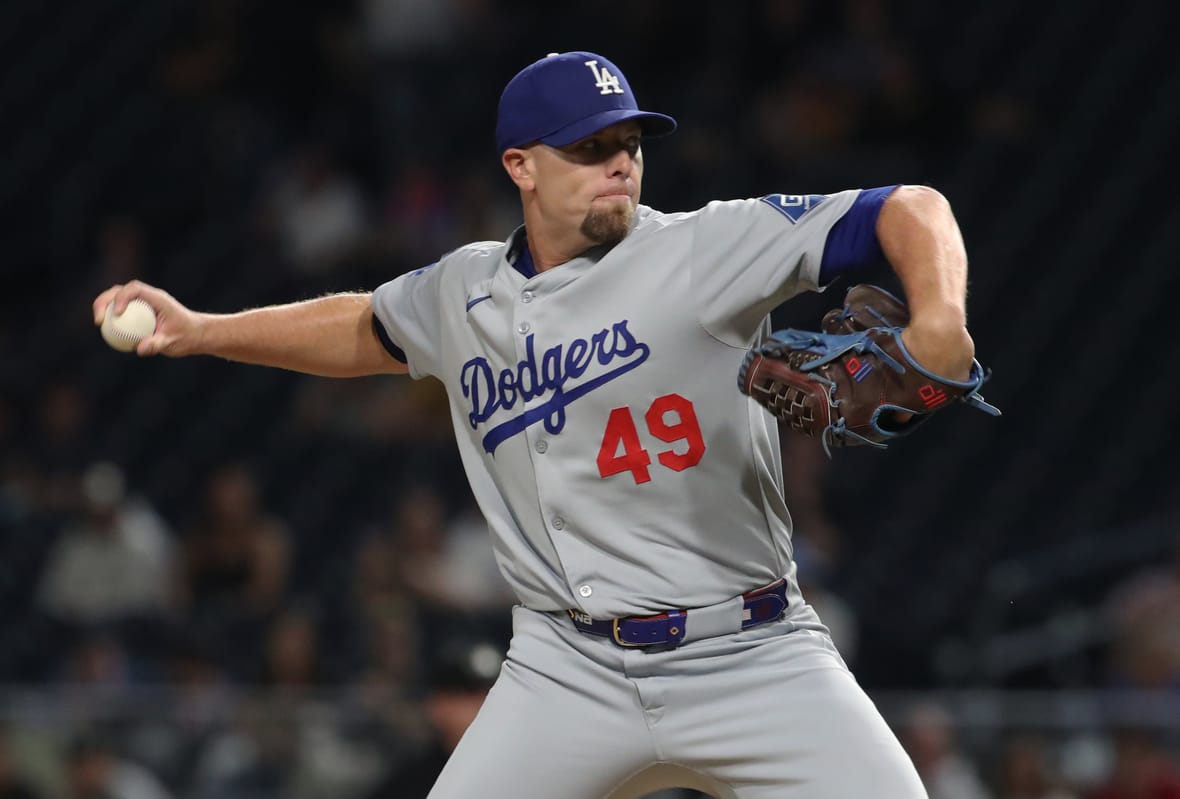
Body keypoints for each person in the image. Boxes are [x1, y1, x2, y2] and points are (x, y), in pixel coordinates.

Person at [94, 50, 981, 798]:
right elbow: (363, 325)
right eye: (590, 148)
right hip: (568, 669)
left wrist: (940, 316)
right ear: (521, 165)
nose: (620, 163)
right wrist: (203, 330)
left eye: (630, 143)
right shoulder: (462, 289)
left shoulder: (706, 248)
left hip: (752, 651)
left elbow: (910, 207)